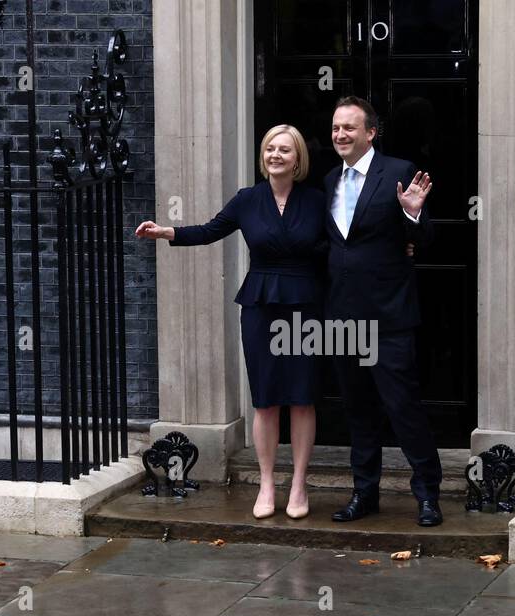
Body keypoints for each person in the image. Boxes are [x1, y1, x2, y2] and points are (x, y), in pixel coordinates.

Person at [136, 125, 324, 519]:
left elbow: (345, 245)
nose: (276, 155)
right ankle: (268, 483)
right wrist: (166, 231)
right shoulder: (248, 200)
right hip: (259, 305)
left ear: (298, 158)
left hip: (306, 305)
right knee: (267, 399)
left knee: (302, 398)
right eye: (270, 148)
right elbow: (209, 230)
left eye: (285, 150)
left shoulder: (317, 200)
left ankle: (300, 485)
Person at [321, 96, 439, 526]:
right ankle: (364, 493)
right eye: (336, 128)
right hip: (343, 318)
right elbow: (333, 244)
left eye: (349, 127)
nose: (340, 135)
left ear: (371, 132)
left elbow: (425, 238)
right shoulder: (331, 178)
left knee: (402, 407)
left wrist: (412, 214)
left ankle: (427, 493)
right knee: (358, 410)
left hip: (388, 317)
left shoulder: (398, 172)